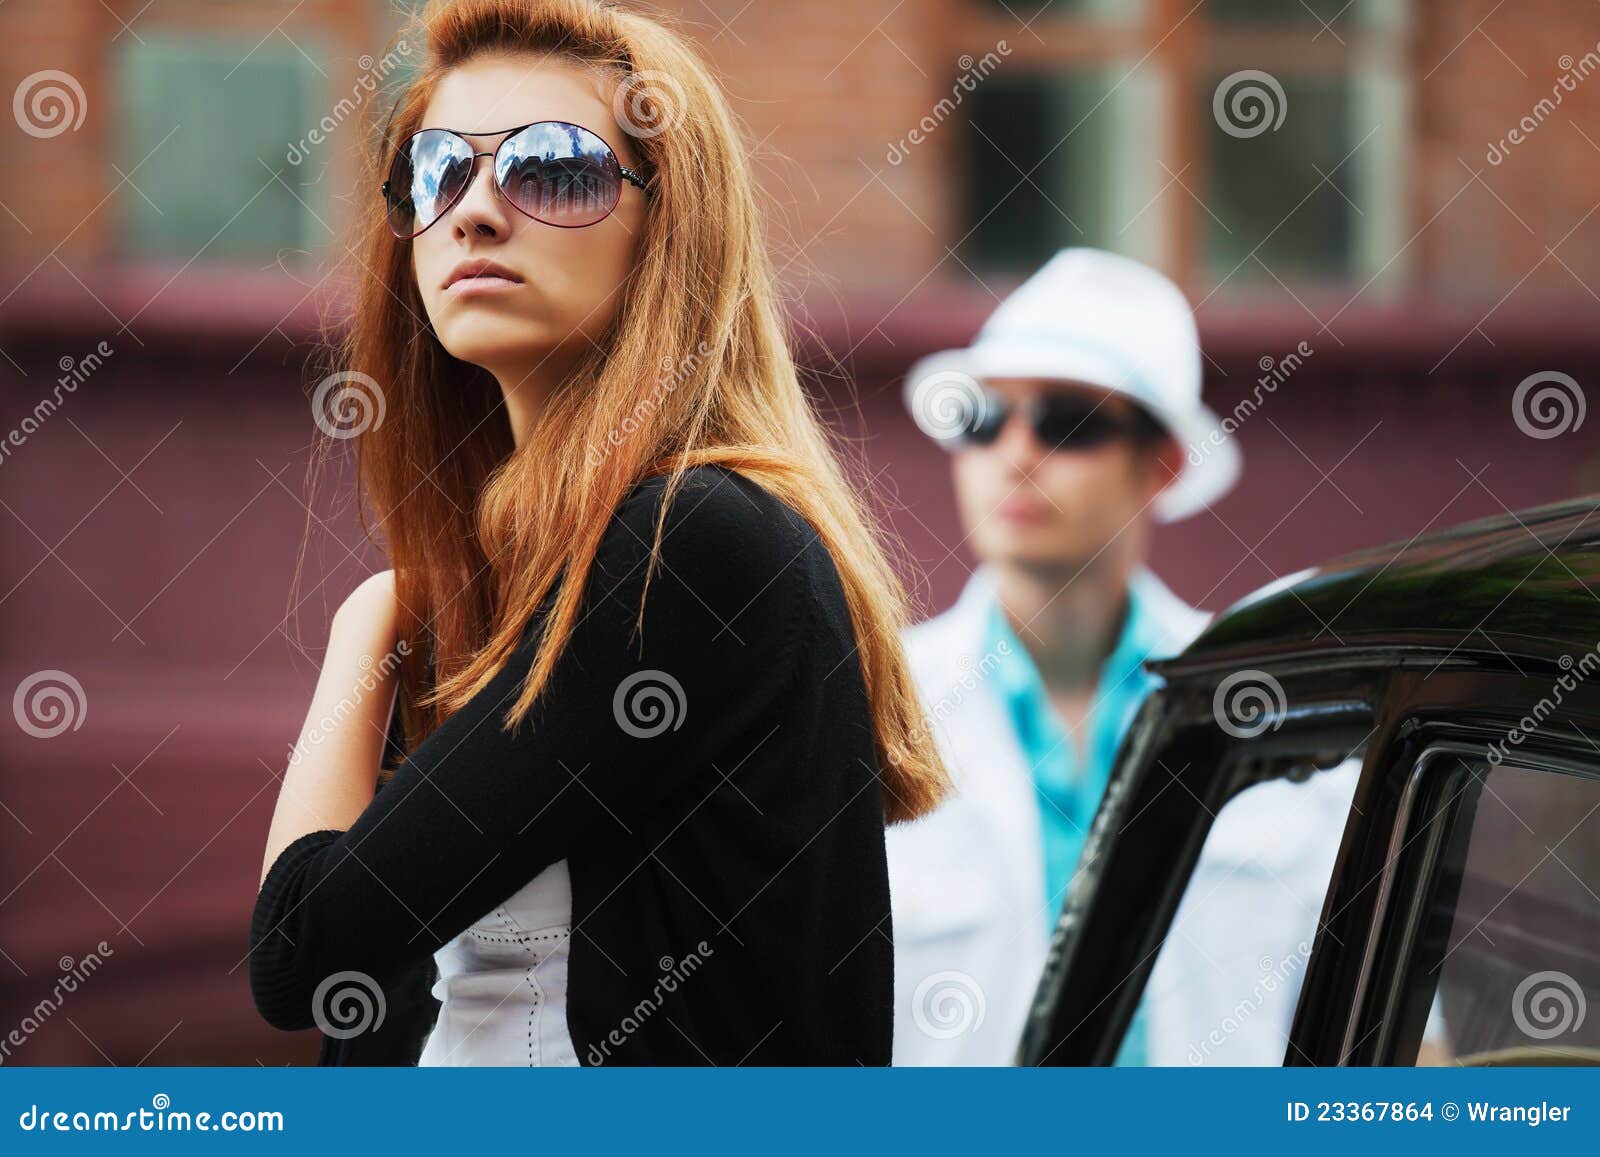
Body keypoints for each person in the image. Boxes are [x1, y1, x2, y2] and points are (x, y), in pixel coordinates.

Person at [248, 0, 949, 1067]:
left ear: (670, 229)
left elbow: (303, 949)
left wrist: (367, 619)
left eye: (553, 169)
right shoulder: (508, 580)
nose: (474, 212)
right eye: (436, 171)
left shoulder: (698, 543)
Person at [887, 247, 1359, 1066]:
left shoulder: (1290, 708)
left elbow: (1383, 1035)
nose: (1018, 451)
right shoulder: (866, 703)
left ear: (1163, 462)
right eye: (985, 417)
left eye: (1070, 420)